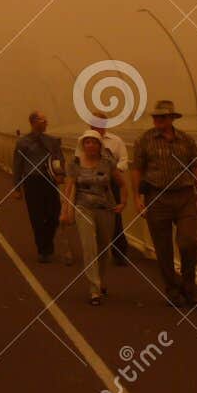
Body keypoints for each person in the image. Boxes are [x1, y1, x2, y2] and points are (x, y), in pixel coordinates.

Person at [130, 99, 197, 307]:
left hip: (185, 196)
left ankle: (189, 285)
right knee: (163, 248)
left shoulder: (186, 140)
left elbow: (196, 167)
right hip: (157, 197)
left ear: (172, 118)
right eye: (156, 117)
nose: (158, 120)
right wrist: (137, 197)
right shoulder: (145, 140)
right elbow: (137, 169)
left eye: (163, 117)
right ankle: (172, 290)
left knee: (188, 241)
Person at [62, 131, 127, 305]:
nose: (90, 145)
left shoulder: (108, 163)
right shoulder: (75, 164)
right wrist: (65, 209)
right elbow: (69, 187)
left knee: (104, 247)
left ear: (100, 145)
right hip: (83, 208)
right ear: (82, 145)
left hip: (105, 208)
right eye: (87, 142)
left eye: (94, 142)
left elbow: (122, 184)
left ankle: (100, 279)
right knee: (88, 247)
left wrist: (123, 203)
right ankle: (94, 289)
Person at [12, 110, 69, 264]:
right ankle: (44, 250)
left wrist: (60, 174)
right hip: (32, 182)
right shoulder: (22, 142)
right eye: (42, 120)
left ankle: (47, 242)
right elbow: (17, 165)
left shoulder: (52, 141)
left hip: (49, 180)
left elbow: (59, 158)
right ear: (33, 122)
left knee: (54, 214)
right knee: (36, 217)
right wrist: (17, 188)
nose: (46, 123)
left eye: (46, 120)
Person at [86, 118, 130, 267]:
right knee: (93, 218)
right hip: (92, 183)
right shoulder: (84, 141)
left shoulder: (116, 141)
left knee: (115, 217)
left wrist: (113, 170)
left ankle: (120, 253)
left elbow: (124, 160)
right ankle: (97, 252)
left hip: (112, 183)